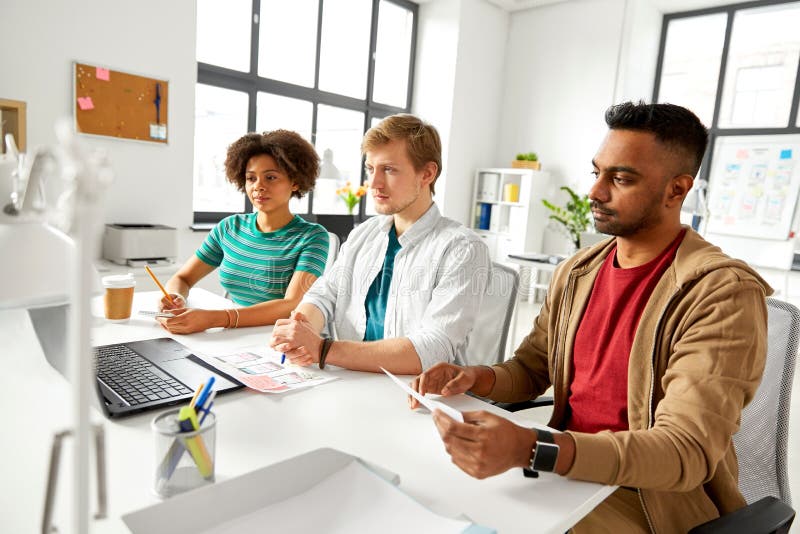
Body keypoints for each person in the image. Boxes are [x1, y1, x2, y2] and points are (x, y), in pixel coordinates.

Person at [410, 101, 772, 533]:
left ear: (677, 190)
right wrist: (475, 378)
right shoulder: (578, 271)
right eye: (597, 172)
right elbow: (530, 368)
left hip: (652, 502)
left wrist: (534, 447)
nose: (596, 192)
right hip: (568, 474)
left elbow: (683, 451)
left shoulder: (721, 294)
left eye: (620, 178)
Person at [269, 114, 491, 375]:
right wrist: (301, 329)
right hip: (351, 380)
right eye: (371, 169)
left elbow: (432, 349)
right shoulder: (364, 234)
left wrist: (323, 349)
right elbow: (325, 294)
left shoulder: (462, 249)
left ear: (427, 173)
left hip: (416, 395)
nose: (373, 184)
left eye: (389, 169)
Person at [158, 130, 329, 334]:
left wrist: (215, 319)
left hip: (277, 337)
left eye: (271, 177)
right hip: (232, 333)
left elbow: (291, 304)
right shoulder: (229, 228)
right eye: (251, 178)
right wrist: (175, 297)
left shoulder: (312, 237)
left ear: (295, 182)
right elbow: (182, 279)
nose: (258, 187)